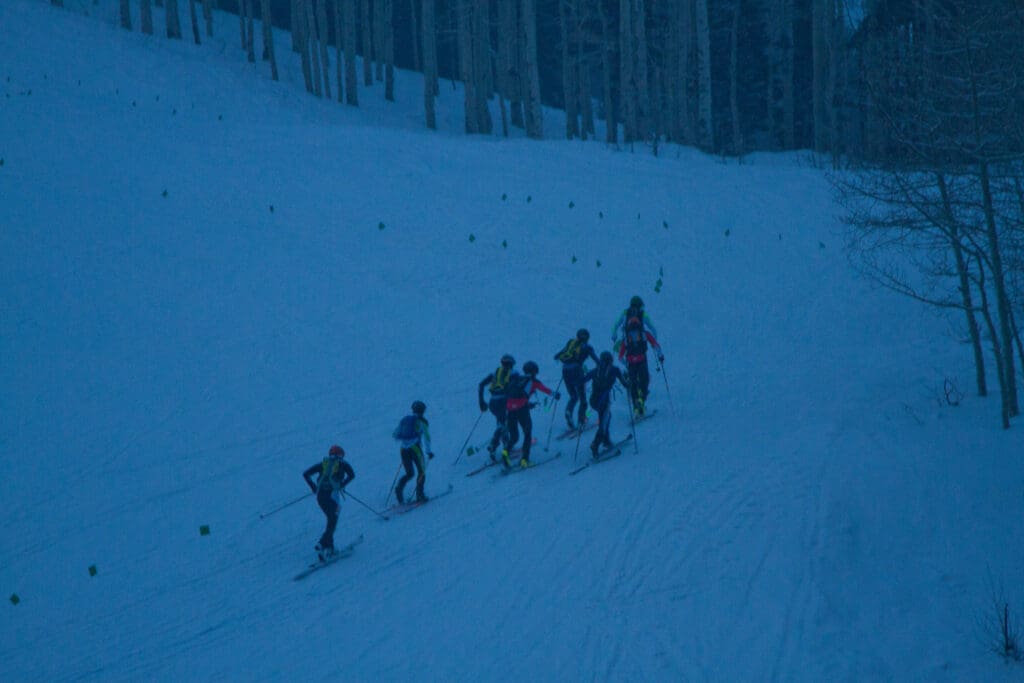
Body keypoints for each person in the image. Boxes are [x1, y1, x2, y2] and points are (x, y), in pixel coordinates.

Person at [501, 361, 560, 469]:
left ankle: (505, 452)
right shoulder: (534, 381)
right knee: (527, 434)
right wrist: (556, 394)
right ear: (535, 371)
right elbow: (545, 390)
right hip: (521, 409)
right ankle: (525, 460)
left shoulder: (517, 379)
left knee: (514, 437)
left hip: (510, 409)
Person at [302, 444, 355, 562]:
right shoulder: (343, 464)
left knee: (330, 520)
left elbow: (305, 474)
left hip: (321, 497)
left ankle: (329, 547)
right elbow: (352, 475)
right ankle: (322, 544)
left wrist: (314, 487)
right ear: (341, 455)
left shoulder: (323, 464)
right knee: (333, 522)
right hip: (333, 497)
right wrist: (342, 484)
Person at [583, 352, 631, 458]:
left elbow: (583, 379)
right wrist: (629, 385)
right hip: (603, 401)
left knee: (606, 418)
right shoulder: (615, 370)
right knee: (604, 422)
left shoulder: (596, 370)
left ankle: (606, 440)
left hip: (594, 400)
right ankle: (595, 444)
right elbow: (624, 383)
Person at [553, 328, 599, 431]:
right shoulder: (587, 347)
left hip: (565, 370)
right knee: (583, 399)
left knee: (573, 396)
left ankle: (568, 411)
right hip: (577, 371)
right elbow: (597, 361)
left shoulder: (571, 342)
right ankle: (581, 422)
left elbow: (558, 354)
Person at [618, 316, 664, 416]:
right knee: (645, 380)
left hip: (631, 363)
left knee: (633, 383)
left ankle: (635, 406)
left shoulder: (626, 338)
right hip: (642, 361)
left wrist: (626, 363)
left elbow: (620, 356)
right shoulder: (644, 334)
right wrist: (661, 356)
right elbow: (655, 344)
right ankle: (642, 401)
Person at [392, 400, 435, 504]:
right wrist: (429, 451)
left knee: (409, 473)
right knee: (421, 472)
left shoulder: (405, 419)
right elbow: (427, 437)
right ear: (423, 411)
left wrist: (406, 441)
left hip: (403, 449)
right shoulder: (422, 421)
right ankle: (420, 495)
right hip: (415, 448)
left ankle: (399, 489)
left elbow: (395, 434)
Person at [477, 354, 515, 460]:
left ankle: (504, 444)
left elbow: (481, 385)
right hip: (503, 402)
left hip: (493, 402)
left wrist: (481, 402)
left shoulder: (495, 373)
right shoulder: (511, 374)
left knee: (501, 422)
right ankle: (493, 445)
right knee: (504, 423)